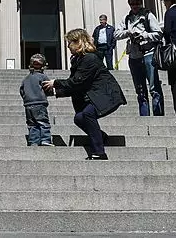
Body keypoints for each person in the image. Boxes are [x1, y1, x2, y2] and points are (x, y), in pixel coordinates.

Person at [44, 28, 126, 160]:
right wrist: (54, 92)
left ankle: (99, 153)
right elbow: (75, 86)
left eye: (70, 42)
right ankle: (101, 136)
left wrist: (56, 82)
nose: (68, 46)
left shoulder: (90, 58)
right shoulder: (78, 60)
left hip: (105, 95)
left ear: (78, 42)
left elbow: (77, 81)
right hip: (94, 96)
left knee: (87, 114)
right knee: (79, 118)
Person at [115, 0, 164, 116]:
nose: (135, 6)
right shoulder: (126, 18)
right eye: (132, 4)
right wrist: (129, 32)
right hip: (134, 56)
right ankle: (144, 116)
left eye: (137, 3)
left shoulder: (148, 15)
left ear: (141, 2)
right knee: (140, 90)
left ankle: (158, 114)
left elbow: (158, 34)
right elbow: (116, 34)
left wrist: (144, 35)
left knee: (154, 87)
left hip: (148, 54)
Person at [20, 54, 52, 146]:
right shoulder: (43, 77)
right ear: (43, 66)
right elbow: (48, 88)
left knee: (32, 124)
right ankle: (45, 139)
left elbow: (21, 91)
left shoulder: (26, 79)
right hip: (39, 103)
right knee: (43, 122)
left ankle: (33, 141)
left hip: (28, 104)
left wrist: (27, 98)